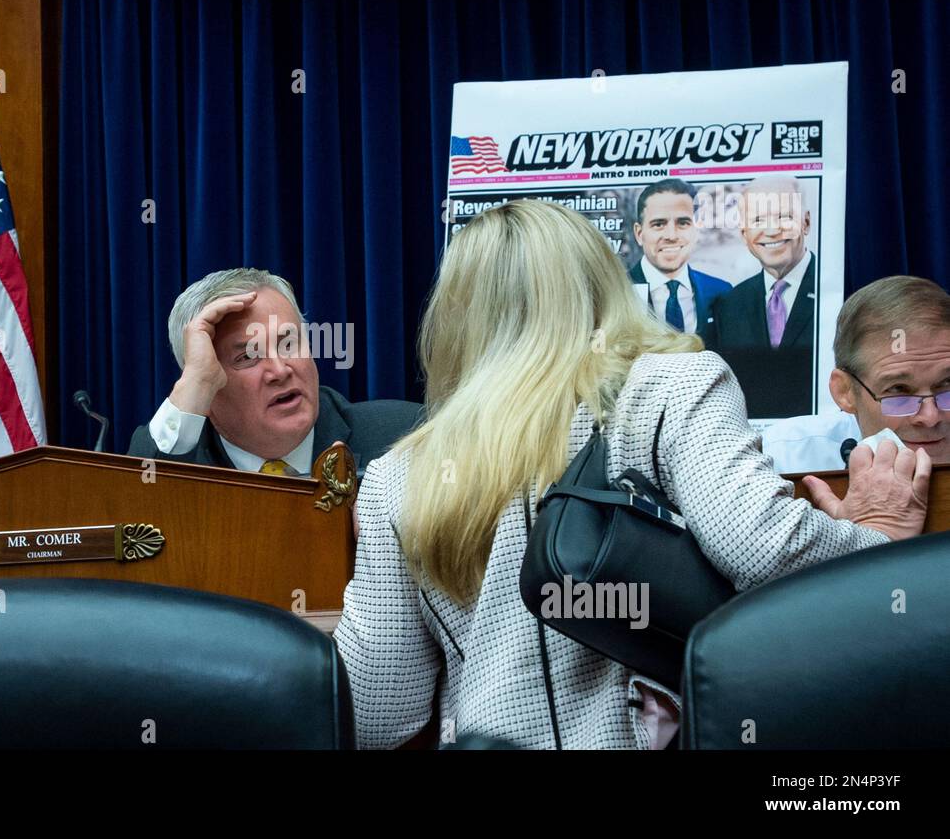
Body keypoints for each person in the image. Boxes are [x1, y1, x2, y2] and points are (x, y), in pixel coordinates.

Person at [333, 200, 930, 750]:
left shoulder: (399, 474)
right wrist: (875, 540)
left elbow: (378, 710)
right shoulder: (667, 388)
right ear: (601, 285)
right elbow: (761, 545)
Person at [127, 268, 420, 476]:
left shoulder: (405, 437)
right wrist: (193, 384)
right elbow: (133, 518)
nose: (279, 371)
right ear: (208, 382)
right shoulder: (177, 465)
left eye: (289, 343)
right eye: (248, 357)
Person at [763, 276, 950, 473]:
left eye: (947, 384)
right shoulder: (782, 458)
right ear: (845, 392)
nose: (930, 417)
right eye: (899, 389)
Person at [709, 176, 816, 418]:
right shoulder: (729, 305)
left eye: (784, 217)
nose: (771, 230)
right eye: (758, 220)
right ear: (744, 233)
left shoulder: (835, 289)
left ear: (806, 222)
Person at [628, 178, 731, 343]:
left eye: (683, 223)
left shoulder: (721, 292)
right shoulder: (616, 290)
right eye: (658, 224)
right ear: (639, 234)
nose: (671, 236)